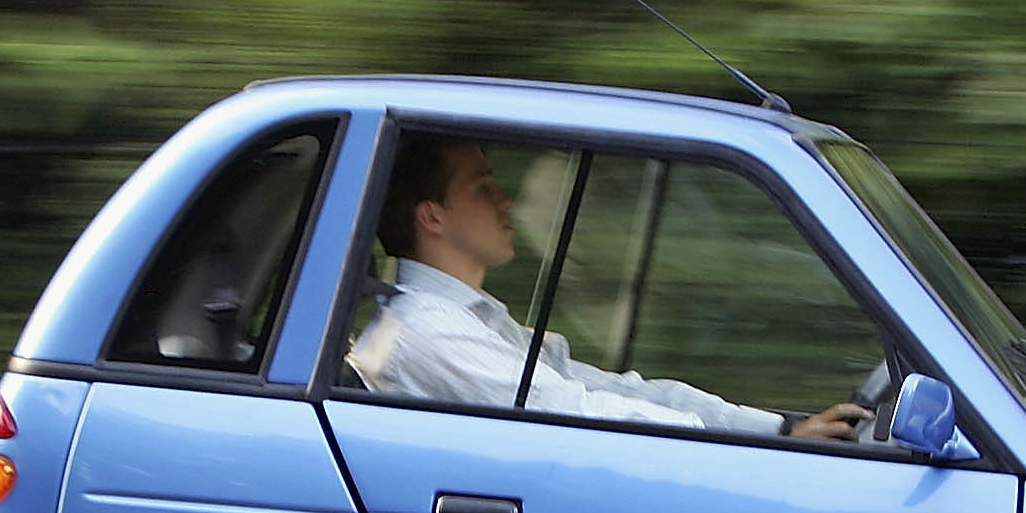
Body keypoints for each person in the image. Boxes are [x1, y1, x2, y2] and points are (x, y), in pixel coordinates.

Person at [348, 136, 873, 440]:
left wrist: (774, 430)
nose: (505, 202)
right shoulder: (426, 333)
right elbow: (576, 412)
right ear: (432, 216)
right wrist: (756, 443)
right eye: (483, 188)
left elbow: (613, 390)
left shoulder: (468, 321)